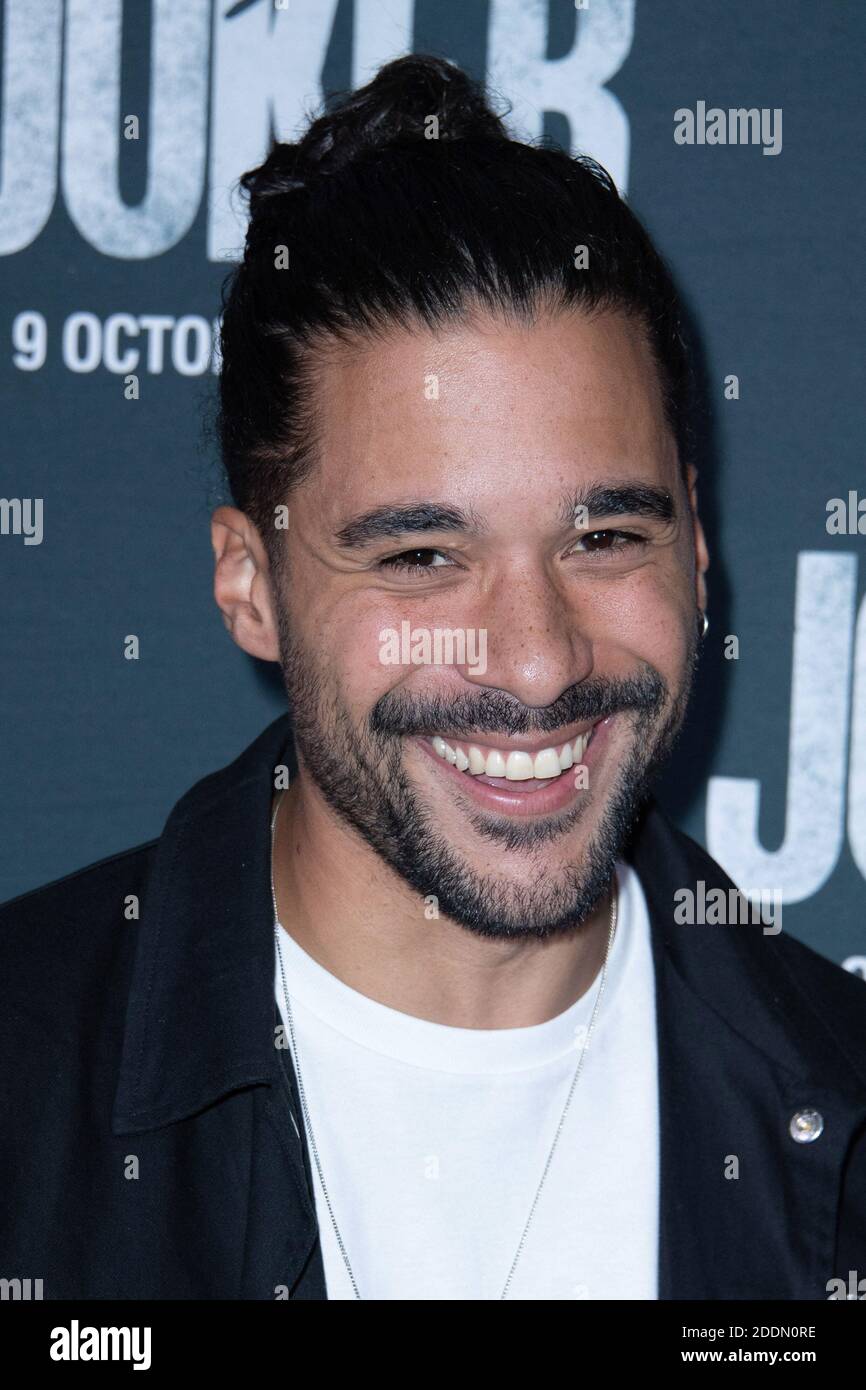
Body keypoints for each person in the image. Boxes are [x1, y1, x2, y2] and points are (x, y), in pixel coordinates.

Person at [2, 54, 864, 1302]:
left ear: (695, 544)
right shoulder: (24, 1089)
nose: (532, 660)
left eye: (604, 536)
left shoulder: (838, 1118)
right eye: (420, 556)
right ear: (252, 585)